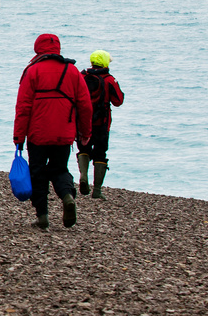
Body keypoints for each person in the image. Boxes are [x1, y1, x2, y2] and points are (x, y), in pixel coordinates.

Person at [13, 33, 93, 230]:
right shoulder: (72, 71)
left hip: (37, 134)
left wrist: (19, 137)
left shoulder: (32, 71)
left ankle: (42, 216)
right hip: (64, 133)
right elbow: (85, 105)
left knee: (37, 172)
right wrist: (85, 132)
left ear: (37, 48)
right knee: (60, 169)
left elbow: (23, 107)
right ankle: (67, 196)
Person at [79, 50, 125, 199]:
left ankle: (83, 176)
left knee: (83, 149)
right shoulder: (109, 79)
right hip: (102, 123)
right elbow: (118, 101)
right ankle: (97, 190)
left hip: (83, 121)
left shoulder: (82, 76)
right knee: (100, 153)